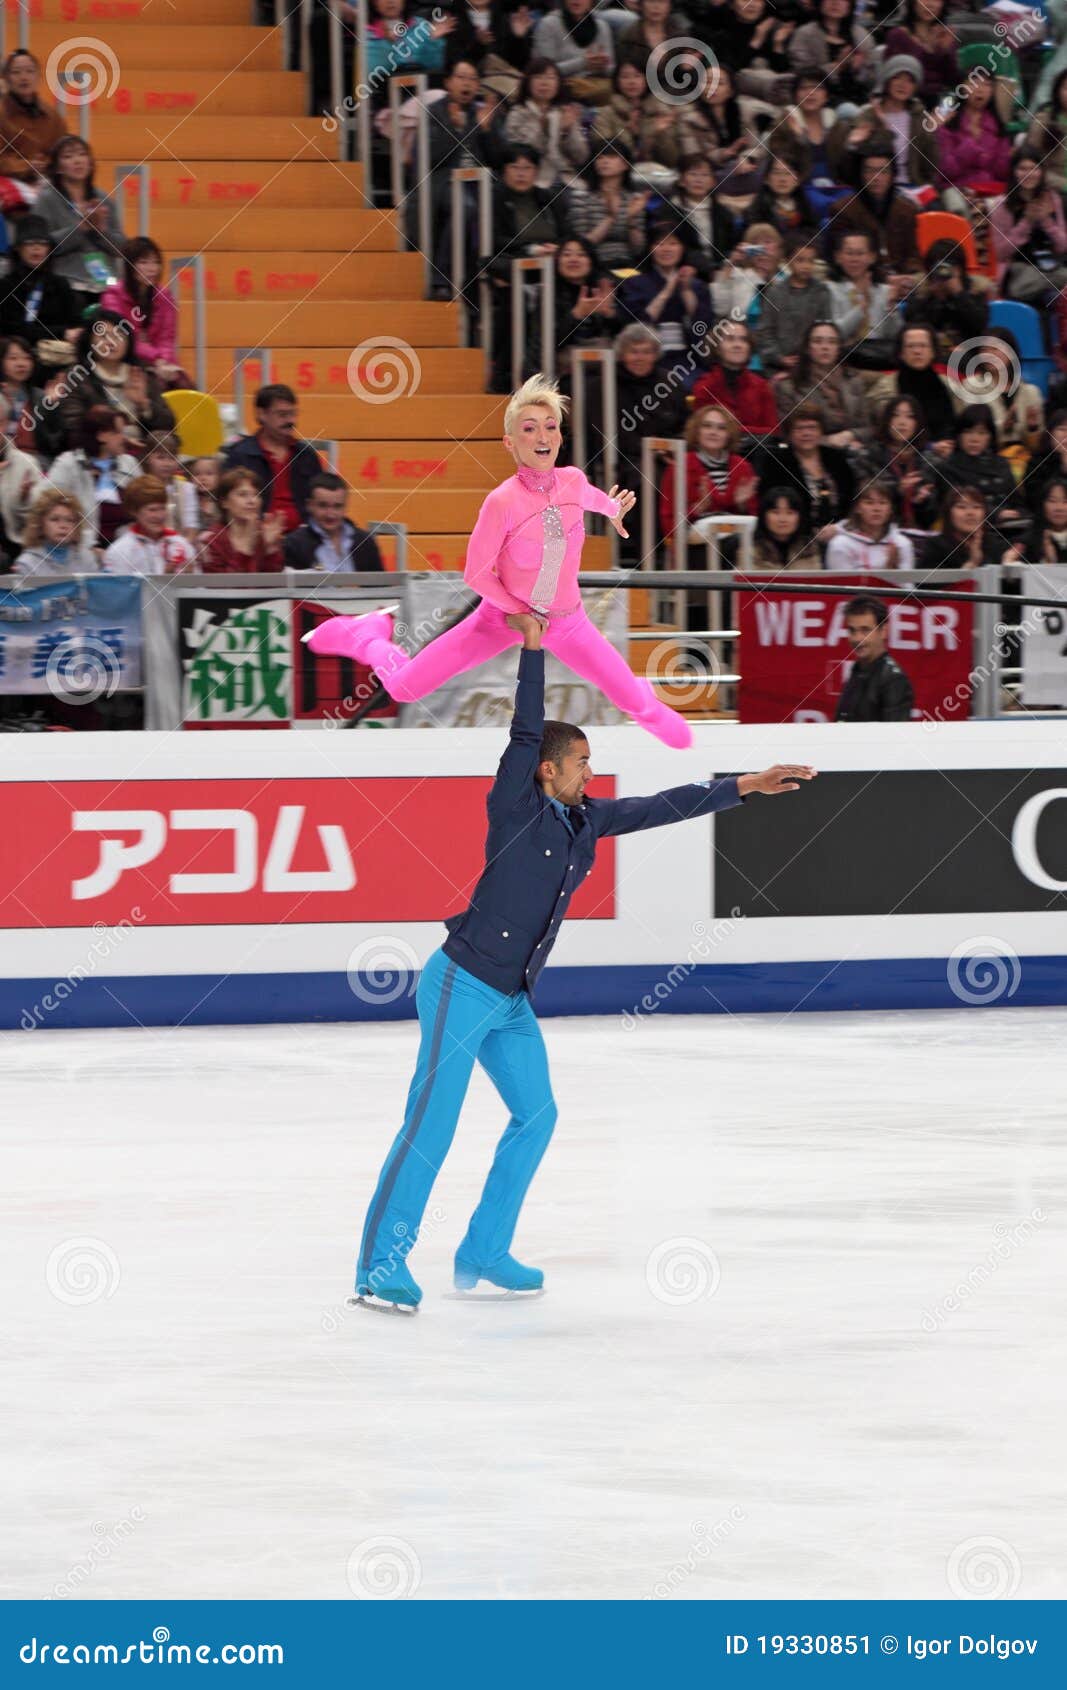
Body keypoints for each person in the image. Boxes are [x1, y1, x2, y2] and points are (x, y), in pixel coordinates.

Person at [352, 614, 816, 1308]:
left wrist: (747, 785)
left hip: (509, 1000)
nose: (590, 772)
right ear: (548, 769)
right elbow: (521, 729)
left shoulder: (586, 820)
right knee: (432, 1123)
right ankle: (378, 1266)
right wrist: (534, 650)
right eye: (581, 763)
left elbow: (665, 805)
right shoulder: (514, 806)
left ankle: (483, 1249)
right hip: (460, 983)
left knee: (535, 1115)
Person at [305, 373, 695, 748]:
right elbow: (475, 573)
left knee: (632, 701)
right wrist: (518, 613)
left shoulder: (574, 480)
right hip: (499, 619)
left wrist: (612, 509)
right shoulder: (502, 502)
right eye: (529, 428)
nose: (542, 436)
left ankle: (648, 708)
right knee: (404, 687)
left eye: (550, 426)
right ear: (510, 443)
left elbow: (592, 498)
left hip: (567, 622)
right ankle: (367, 637)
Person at [58, 311, 176, 446]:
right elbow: (72, 427)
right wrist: (116, 439)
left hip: (145, 453)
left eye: (118, 335)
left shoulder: (141, 374)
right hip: (98, 453)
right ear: (89, 341)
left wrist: (144, 405)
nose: (111, 342)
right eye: (103, 336)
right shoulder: (77, 377)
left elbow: (169, 426)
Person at [221, 384, 325, 532]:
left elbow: (320, 498)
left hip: (303, 539)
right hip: (255, 535)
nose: (290, 420)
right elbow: (227, 502)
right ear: (262, 414)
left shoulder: (306, 454)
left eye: (293, 414)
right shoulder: (241, 454)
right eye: (282, 414)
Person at [33, 135, 124, 296]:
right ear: (57, 167)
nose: (77, 161)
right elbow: (41, 247)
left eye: (82, 154)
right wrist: (80, 228)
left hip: (106, 286)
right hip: (66, 285)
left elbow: (121, 248)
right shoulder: (46, 199)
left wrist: (101, 231)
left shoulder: (104, 200)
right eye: (68, 156)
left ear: (90, 162)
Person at [754, 402, 854, 542]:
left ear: (821, 431)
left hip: (840, 534)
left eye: (812, 428)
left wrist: (840, 528)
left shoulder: (836, 458)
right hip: (796, 536)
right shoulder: (776, 462)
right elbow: (770, 504)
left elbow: (852, 499)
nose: (806, 433)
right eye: (799, 428)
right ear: (789, 433)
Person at [48, 405, 141, 549]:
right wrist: (90, 549)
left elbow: (145, 505)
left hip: (128, 548)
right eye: (117, 432)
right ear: (101, 435)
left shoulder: (129, 463)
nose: (124, 438)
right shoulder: (69, 464)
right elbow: (44, 501)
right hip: (81, 549)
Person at [658, 405, 759, 536]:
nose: (713, 432)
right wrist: (697, 509)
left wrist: (741, 505)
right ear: (697, 431)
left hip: (736, 539)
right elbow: (668, 521)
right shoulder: (679, 467)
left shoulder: (743, 467)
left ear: (729, 435)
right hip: (695, 544)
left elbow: (753, 518)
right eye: (707, 426)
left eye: (721, 428)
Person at [773, 320, 869, 455]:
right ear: (807, 348)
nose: (825, 347)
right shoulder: (789, 387)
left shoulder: (854, 381)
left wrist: (850, 435)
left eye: (832, 342)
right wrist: (828, 441)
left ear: (838, 348)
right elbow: (788, 435)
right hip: (809, 454)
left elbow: (868, 428)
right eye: (818, 341)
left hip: (854, 450)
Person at [100, 237, 185, 387]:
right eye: (144, 262)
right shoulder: (113, 296)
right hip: (125, 358)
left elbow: (167, 337)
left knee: (184, 385)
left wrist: (165, 362)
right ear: (130, 266)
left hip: (158, 363)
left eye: (156, 262)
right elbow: (124, 337)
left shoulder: (164, 296)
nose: (151, 268)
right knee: (150, 385)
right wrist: (156, 359)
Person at [992, 150, 1067, 305]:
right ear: (1014, 172)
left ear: (1041, 172)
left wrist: (1046, 221)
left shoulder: (1052, 198)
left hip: (1050, 266)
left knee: (1055, 290)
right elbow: (1001, 253)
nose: (1028, 174)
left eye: (1034, 168)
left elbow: (1062, 246)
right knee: (1047, 287)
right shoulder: (1002, 205)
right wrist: (1026, 222)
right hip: (1020, 271)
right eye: (1022, 169)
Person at [860, 396, 942, 533]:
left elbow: (932, 517)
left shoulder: (929, 460)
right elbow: (864, 501)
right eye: (896, 415)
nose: (902, 422)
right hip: (879, 532)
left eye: (909, 416)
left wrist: (921, 502)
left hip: (919, 535)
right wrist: (897, 491)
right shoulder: (870, 456)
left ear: (918, 423)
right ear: (887, 421)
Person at [504, 59, 589, 189]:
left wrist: (566, 132)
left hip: (568, 180)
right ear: (528, 83)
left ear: (558, 84)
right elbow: (523, 155)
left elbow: (581, 156)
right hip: (537, 181)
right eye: (538, 77)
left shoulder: (565, 112)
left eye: (550, 78)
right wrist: (543, 129)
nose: (544, 83)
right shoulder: (518, 114)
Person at [754, 235, 833, 375]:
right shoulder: (774, 292)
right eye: (800, 260)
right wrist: (780, 358)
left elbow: (825, 328)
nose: (806, 266)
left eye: (811, 261)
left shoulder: (821, 291)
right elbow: (764, 332)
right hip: (777, 367)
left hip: (813, 365)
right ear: (788, 261)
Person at [0, 49, 67, 210]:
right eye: (16, 72)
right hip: (7, 183)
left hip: (44, 180)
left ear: (38, 77)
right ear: (6, 79)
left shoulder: (52, 116)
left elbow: (62, 152)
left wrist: (46, 166)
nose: (24, 77)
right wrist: (27, 166)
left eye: (30, 71)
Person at [0, 216, 82, 347]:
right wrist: (62, 332)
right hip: (18, 354)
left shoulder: (60, 284)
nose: (37, 248)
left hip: (59, 354)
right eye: (30, 242)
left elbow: (76, 324)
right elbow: (12, 330)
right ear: (18, 248)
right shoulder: (6, 286)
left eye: (43, 243)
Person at [691, 321, 777, 441]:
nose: (738, 345)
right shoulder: (703, 386)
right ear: (717, 348)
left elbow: (773, 432)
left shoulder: (762, 386)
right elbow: (700, 431)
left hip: (756, 455)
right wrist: (748, 431)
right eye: (730, 339)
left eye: (743, 340)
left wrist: (730, 429)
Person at [941, 404, 1022, 530]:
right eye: (968, 432)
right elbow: (955, 507)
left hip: (1010, 527)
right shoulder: (949, 468)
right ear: (959, 435)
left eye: (981, 432)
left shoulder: (1002, 464)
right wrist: (997, 514)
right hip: (970, 530)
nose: (974, 439)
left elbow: (1017, 502)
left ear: (990, 436)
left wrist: (1019, 514)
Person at [902, 241, 988, 359]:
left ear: (959, 269)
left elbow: (980, 325)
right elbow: (910, 322)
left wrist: (959, 294)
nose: (942, 272)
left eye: (947, 267)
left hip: (967, 353)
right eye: (938, 268)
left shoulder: (975, 289)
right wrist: (935, 297)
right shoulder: (922, 290)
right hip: (929, 351)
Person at [835, 595, 915, 722]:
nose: (857, 638)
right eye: (852, 630)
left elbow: (896, 737)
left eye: (865, 630)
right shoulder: (857, 671)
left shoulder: (894, 680)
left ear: (883, 631)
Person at [283, 474, 386, 571]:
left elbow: (381, 586)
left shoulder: (365, 542)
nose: (330, 515)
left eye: (337, 506)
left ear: (345, 507)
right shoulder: (294, 544)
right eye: (323, 506)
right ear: (309, 505)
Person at [101, 475, 197, 575]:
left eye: (163, 508)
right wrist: (166, 580)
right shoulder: (119, 551)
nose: (160, 516)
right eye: (152, 510)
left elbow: (198, 587)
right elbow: (118, 589)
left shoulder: (182, 545)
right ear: (134, 511)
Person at [199, 468, 285, 573]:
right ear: (224, 502)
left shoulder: (264, 535)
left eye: (256, 495)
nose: (252, 501)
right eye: (242, 494)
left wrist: (270, 550)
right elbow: (223, 587)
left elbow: (274, 585)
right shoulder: (210, 541)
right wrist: (245, 550)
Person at [825, 480, 916, 571]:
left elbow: (907, 584)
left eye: (882, 503)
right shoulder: (841, 544)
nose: (877, 509)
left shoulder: (902, 544)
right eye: (869, 503)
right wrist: (887, 572)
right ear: (857, 508)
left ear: (890, 510)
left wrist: (894, 571)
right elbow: (841, 584)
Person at [532, 0, 615, 100]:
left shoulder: (602, 26)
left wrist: (603, 65)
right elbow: (545, 71)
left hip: (594, 90)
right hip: (559, 91)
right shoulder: (549, 24)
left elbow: (611, 69)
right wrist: (582, 63)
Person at [920, 486, 1019, 570]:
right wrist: (972, 563)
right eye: (961, 507)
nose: (970, 513)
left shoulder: (997, 545)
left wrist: (1009, 569)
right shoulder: (935, 547)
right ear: (948, 514)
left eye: (977, 507)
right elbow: (928, 587)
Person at [884, 0, 959, 108]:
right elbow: (891, 80)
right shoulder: (897, 36)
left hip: (940, 103)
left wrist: (946, 51)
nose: (930, 4)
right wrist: (928, 51)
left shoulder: (945, 36)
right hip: (908, 102)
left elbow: (953, 80)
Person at [0, 399, 46, 567]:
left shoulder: (27, 464)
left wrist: (25, 500)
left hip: (16, 548)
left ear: (5, 424)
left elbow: (39, 521)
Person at [12, 488, 97, 577]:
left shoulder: (87, 559)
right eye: (55, 519)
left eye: (70, 520)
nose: (63, 526)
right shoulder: (27, 564)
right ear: (40, 524)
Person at [750, 484, 821, 570]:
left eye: (790, 512)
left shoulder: (812, 548)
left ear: (800, 517)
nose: (783, 519)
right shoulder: (750, 548)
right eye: (775, 512)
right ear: (764, 516)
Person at [1026, 478, 1067, 565]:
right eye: (1052, 501)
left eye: (1065, 501)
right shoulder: (1029, 541)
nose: (1059, 508)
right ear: (1042, 505)